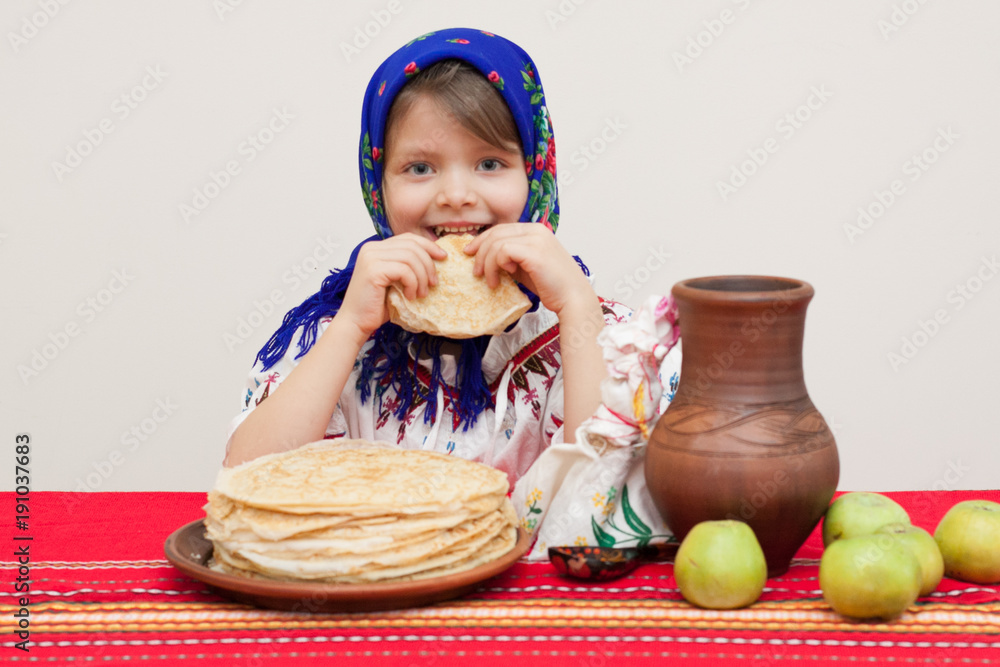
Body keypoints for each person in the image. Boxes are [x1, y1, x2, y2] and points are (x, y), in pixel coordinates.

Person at [223, 28, 632, 494]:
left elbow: (610, 495)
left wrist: (579, 305)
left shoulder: (591, 333)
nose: (456, 196)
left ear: (536, 174)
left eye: (490, 164)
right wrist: (351, 327)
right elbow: (246, 483)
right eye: (420, 168)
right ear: (378, 188)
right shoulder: (338, 330)